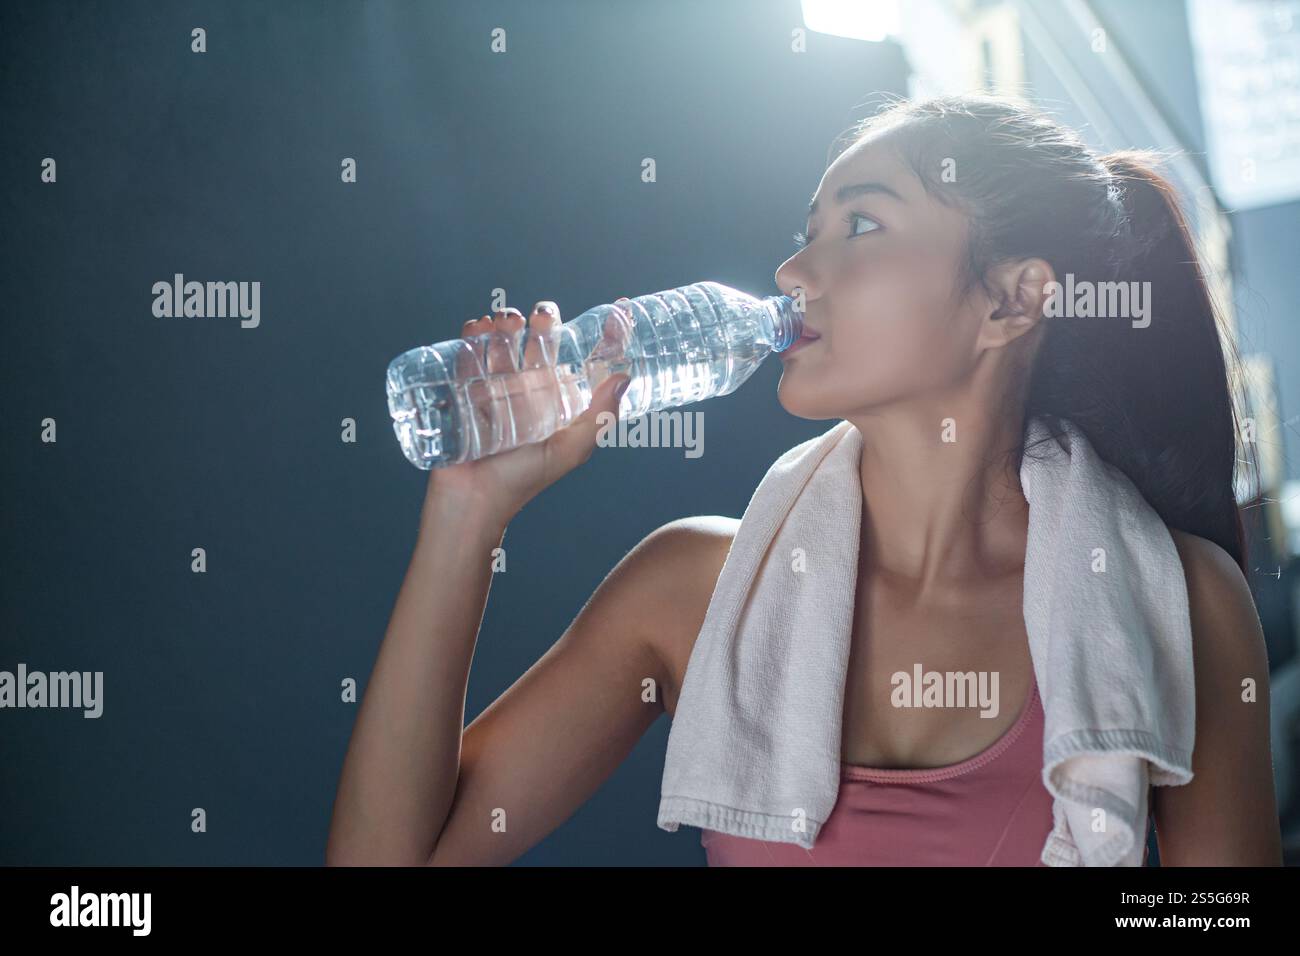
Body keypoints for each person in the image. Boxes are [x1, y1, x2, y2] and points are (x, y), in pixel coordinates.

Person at [325, 93, 1282, 866]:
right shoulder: (693, 590)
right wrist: (468, 510)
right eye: (806, 227)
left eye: (861, 223)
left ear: (1011, 298)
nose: (792, 270)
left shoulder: (1174, 599)